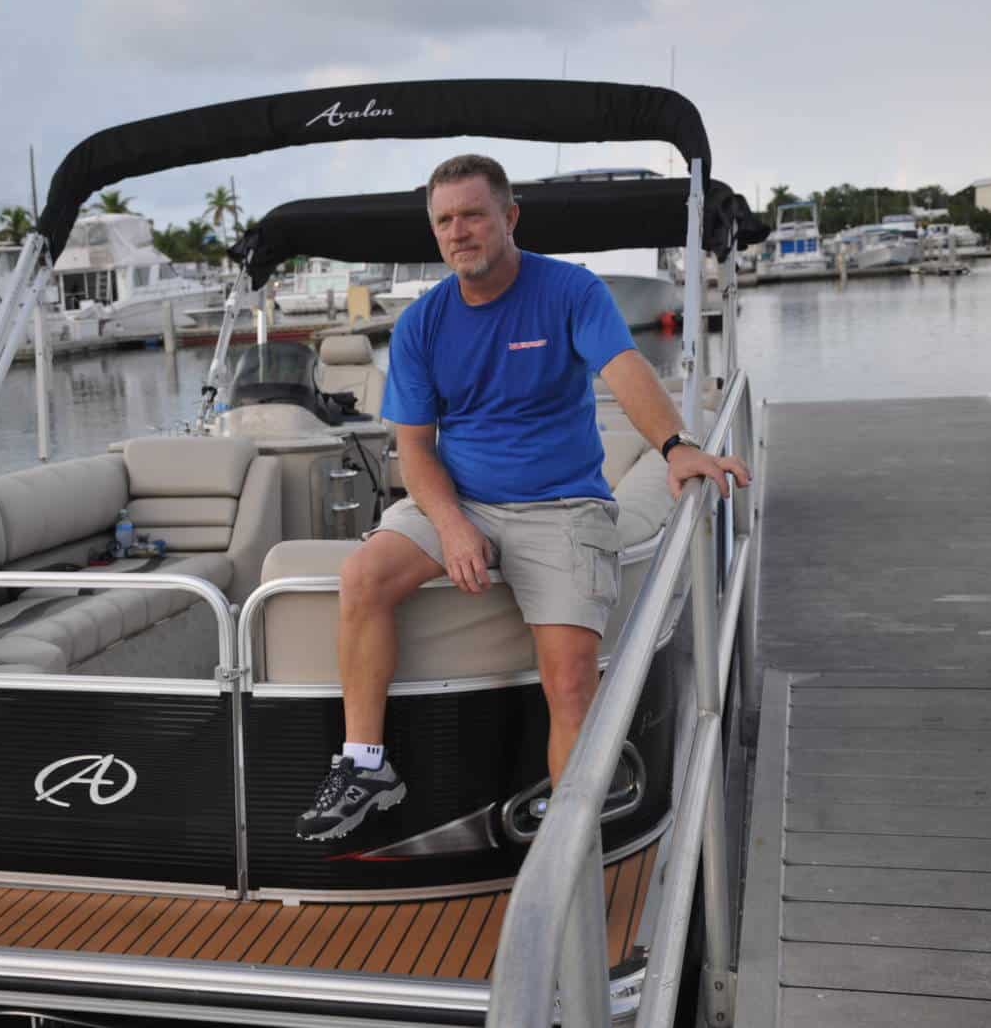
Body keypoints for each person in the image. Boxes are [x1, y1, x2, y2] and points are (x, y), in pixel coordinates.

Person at [295, 154, 750, 841]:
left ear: (508, 218)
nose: (459, 231)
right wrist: (450, 524)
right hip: (459, 497)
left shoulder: (569, 291)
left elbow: (626, 373)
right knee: (362, 575)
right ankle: (365, 765)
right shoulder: (422, 324)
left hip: (561, 504)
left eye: (473, 214)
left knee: (569, 681)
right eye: (445, 220)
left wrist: (675, 446)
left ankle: (571, 848)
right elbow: (414, 451)